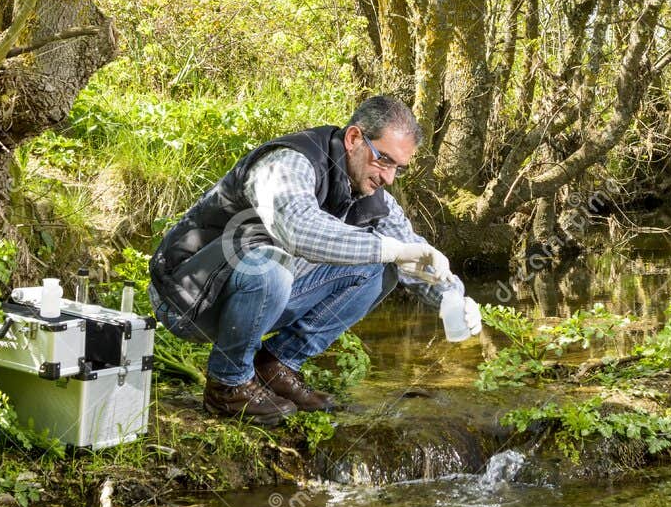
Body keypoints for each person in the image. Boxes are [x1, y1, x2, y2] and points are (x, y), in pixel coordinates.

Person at [149, 95, 482, 421]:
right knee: (271, 264)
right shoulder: (288, 163)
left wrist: (451, 296)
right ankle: (228, 384)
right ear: (354, 138)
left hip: (253, 295)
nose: (389, 178)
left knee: (382, 267)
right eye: (384, 160)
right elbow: (299, 229)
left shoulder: (371, 195)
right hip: (187, 300)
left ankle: (275, 367)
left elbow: (412, 251)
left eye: (398, 168)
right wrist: (392, 249)